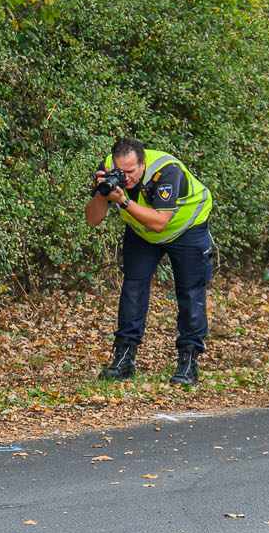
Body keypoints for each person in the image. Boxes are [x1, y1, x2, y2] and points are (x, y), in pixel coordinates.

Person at [85, 137, 215, 386]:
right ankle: (124, 359)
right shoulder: (109, 168)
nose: (125, 178)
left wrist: (123, 201)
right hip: (142, 231)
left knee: (190, 291)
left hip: (186, 228)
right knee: (133, 288)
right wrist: (103, 193)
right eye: (120, 171)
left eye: (130, 172)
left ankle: (189, 360)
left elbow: (159, 222)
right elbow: (92, 220)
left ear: (143, 164)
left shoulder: (166, 171)